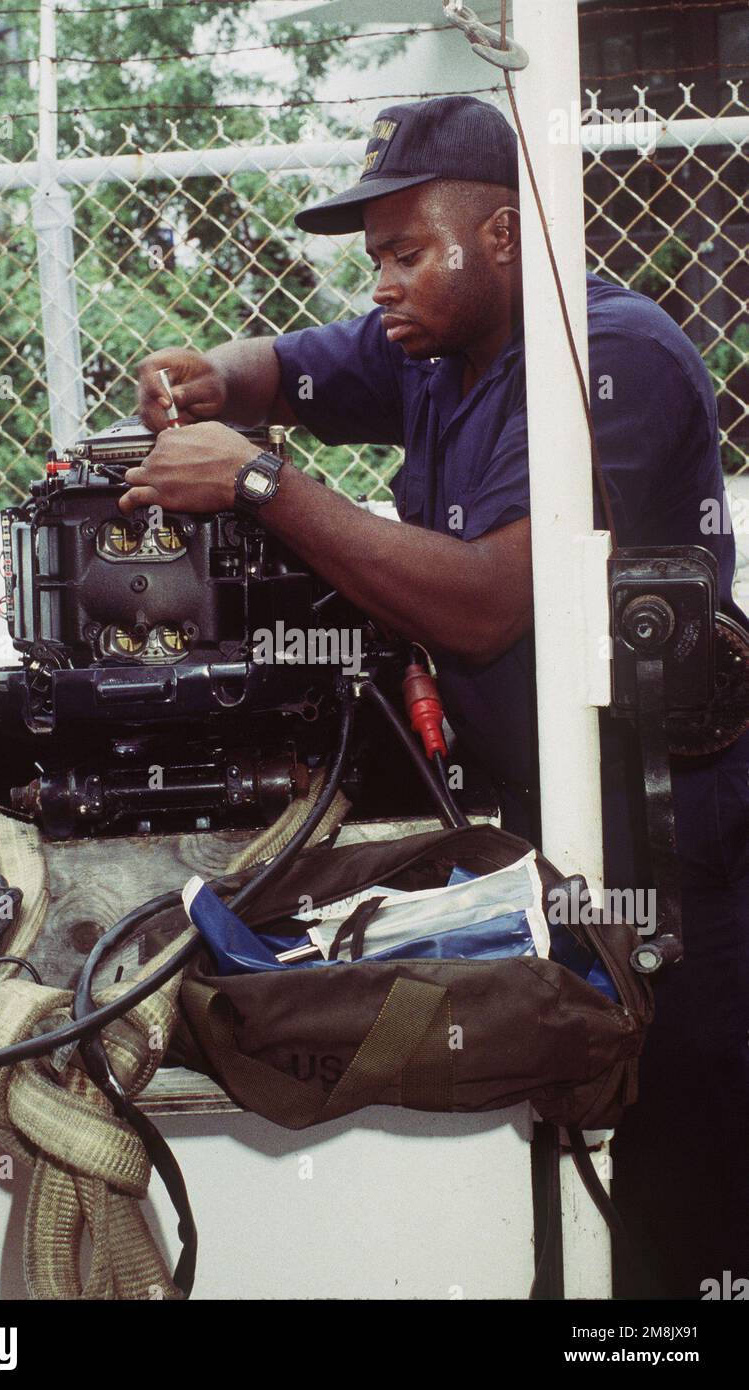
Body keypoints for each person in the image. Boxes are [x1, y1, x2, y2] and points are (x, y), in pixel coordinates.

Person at [122, 95, 749, 1299]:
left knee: (683, 1184)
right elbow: (273, 370)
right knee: (569, 1152)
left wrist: (258, 482)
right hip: (549, 828)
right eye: (374, 264)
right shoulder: (429, 345)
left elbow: (482, 606)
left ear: (504, 236)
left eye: (408, 254)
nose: (385, 286)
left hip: (675, 847)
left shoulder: (607, 360)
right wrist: (201, 382)